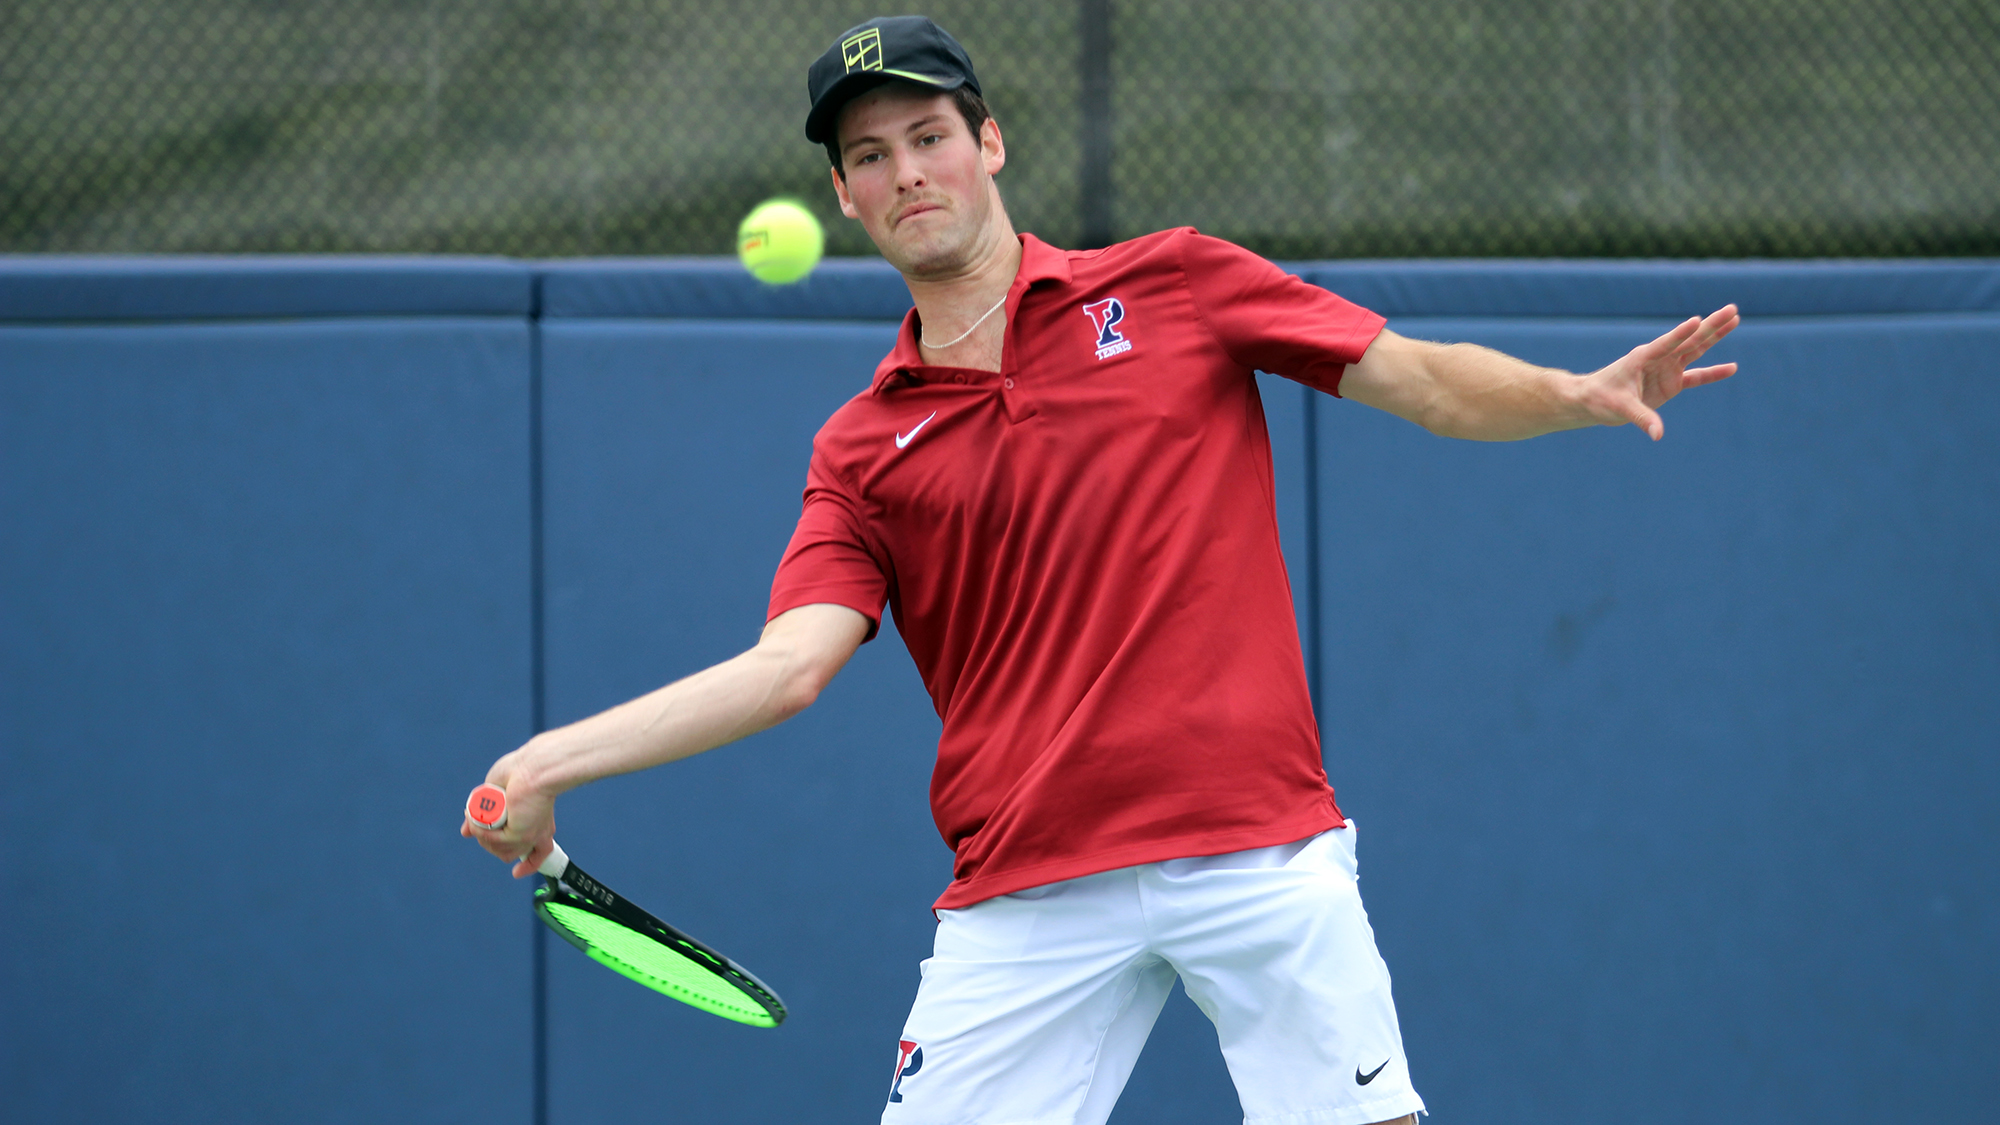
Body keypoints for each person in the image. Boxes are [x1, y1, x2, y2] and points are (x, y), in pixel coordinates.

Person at [464, 15, 1739, 1124]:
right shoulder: (858, 449)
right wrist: (546, 762)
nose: (905, 172)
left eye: (926, 136)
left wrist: (1572, 391)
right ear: (845, 198)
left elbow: (1417, 379)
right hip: (1022, 887)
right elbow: (787, 669)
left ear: (990, 143)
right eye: (868, 156)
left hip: (1253, 844)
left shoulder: (1175, 284)